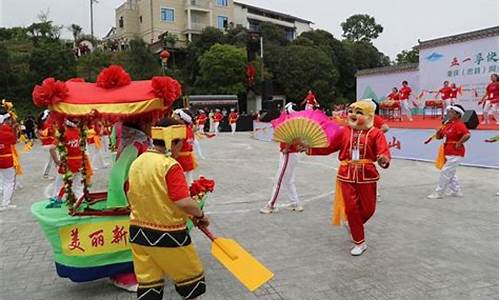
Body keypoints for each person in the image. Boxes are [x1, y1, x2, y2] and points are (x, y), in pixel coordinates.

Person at [127, 117, 208, 300]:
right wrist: (200, 214)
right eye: (181, 142)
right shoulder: (169, 165)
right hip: (167, 235)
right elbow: (183, 202)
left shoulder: (138, 161)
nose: (182, 148)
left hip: (138, 233)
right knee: (191, 282)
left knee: (149, 286)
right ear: (173, 141)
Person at [301, 101, 390, 256]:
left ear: (369, 116)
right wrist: (310, 148)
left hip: (367, 175)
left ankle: (354, 225)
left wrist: (383, 159)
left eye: (359, 112)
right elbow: (329, 147)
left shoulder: (376, 133)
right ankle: (360, 242)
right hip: (346, 174)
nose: (353, 115)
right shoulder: (344, 132)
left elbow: (383, 151)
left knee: (369, 209)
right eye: (350, 111)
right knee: (351, 209)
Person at [260, 103, 303, 214]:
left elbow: (291, 138)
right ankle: (295, 203)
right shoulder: (298, 122)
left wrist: (287, 148)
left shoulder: (292, 122)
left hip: (288, 153)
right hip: (292, 154)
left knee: (279, 180)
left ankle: (271, 205)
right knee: (289, 180)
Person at [427, 104, 470, 199]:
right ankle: (456, 191)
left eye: (451, 112)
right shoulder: (447, 124)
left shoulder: (459, 124)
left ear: (457, 114)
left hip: (456, 152)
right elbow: (439, 137)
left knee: (445, 172)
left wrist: (459, 142)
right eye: (449, 112)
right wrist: (438, 131)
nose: (448, 113)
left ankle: (438, 193)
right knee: (451, 173)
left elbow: (467, 134)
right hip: (447, 151)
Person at [52, 119, 90, 202]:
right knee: (78, 183)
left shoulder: (63, 133)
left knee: (62, 182)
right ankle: (80, 198)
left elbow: (52, 148)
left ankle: (58, 198)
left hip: (68, 163)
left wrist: (56, 161)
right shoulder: (80, 132)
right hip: (80, 162)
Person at [173, 109, 199, 184]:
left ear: (183, 119)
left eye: (176, 117)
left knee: (181, 180)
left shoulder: (181, 130)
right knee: (189, 180)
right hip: (188, 158)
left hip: (181, 159)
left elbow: (179, 146)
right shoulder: (189, 129)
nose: (175, 118)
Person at [0, 111, 18, 211]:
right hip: (6, 160)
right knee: (9, 182)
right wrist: (14, 129)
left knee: (2, 180)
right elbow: (14, 141)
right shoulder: (6, 133)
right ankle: (5, 203)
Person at [37, 110, 58, 180]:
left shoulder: (42, 125)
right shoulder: (46, 125)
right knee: (49, 160)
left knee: (51, 160)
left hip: (46, 144)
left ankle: (58, 171)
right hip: (49, 145)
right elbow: (51, 132)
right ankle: (45, 175)